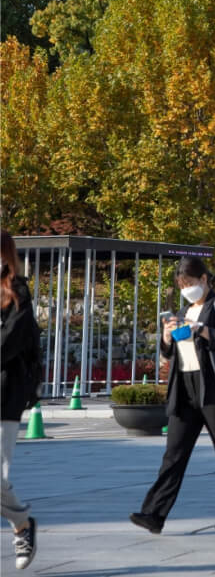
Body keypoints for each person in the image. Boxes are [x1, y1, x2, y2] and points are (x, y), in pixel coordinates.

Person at [130, 256, 215, 534]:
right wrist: (166, 337)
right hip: (184, 388)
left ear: (204, 279)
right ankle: (154, 514)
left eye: (190, 283)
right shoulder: (183, 310)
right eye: (182, 285)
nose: (187, 289)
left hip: (214, 390)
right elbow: (171, 352)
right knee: (173, 454)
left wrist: (200, 329)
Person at [1, 230, 41, 571]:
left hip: (4, 395)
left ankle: (21, 524)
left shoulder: (18, 292)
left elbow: (10, 342)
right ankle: (21, 524)